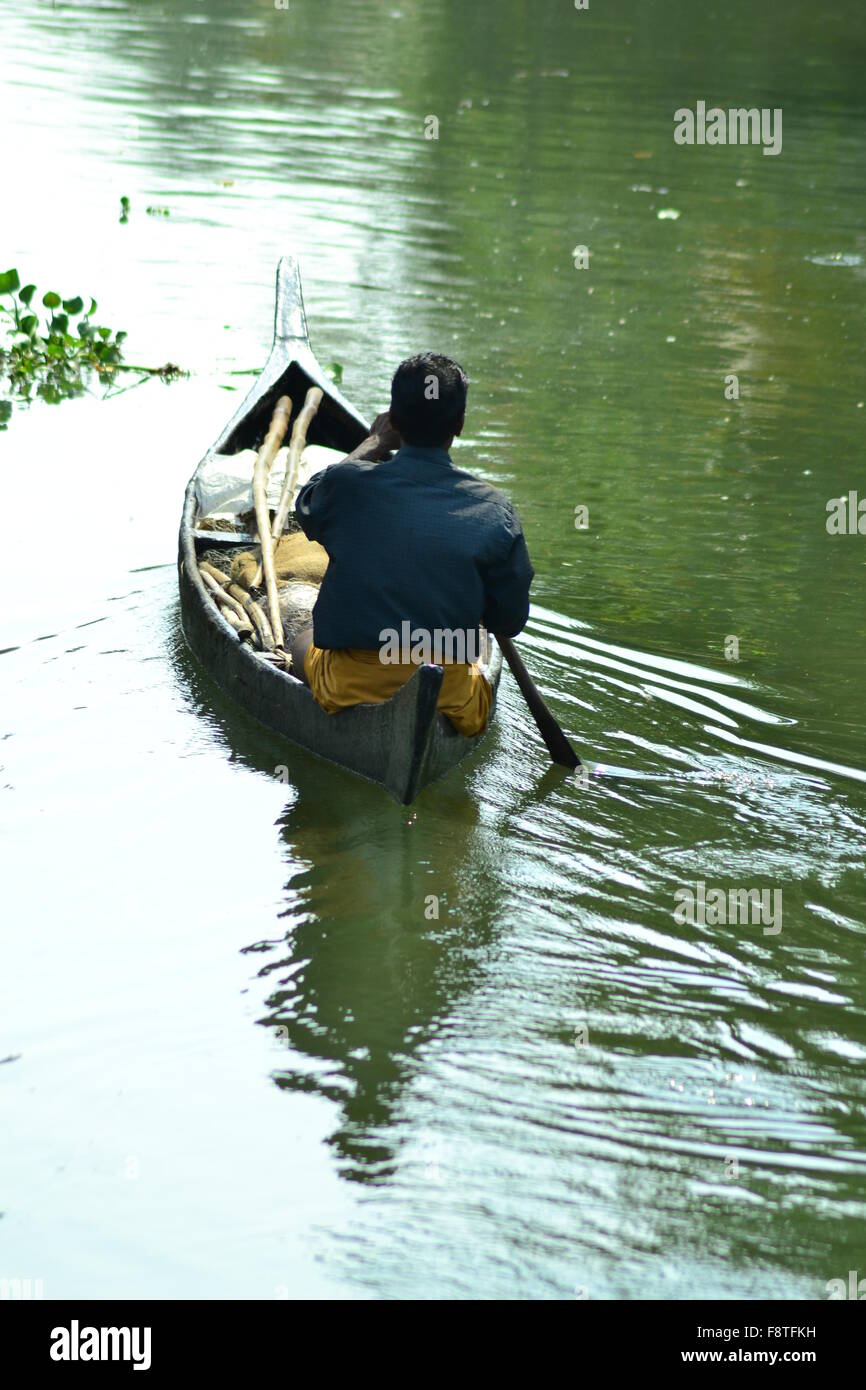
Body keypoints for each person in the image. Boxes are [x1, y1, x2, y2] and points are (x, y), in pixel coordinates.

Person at [290, 353, 533, 736]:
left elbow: (307, 506)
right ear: (460, 425)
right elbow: (509, 620)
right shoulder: (495, 512)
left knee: (301, 642)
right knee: (474, 661)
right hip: (448, 693)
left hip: (354, 683)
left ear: (394, 421)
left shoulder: (348, 486)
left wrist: (372, 444)